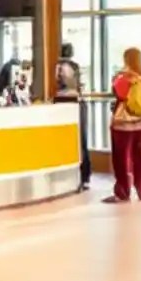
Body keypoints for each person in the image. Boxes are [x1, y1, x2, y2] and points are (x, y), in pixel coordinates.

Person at [105, 47, 141, 203]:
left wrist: (117, 78)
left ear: (126, 60)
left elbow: (119, 94)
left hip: (123, 125)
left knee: (121, 160)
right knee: (140, 158)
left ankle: (123, 192)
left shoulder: (124, 77)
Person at [55, 43, 90, 190]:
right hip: (79, 102)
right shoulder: (74, 66)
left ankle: (76, 176)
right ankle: (84, 175)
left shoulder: (58, 67)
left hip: (65, 103)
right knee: (81, 140)